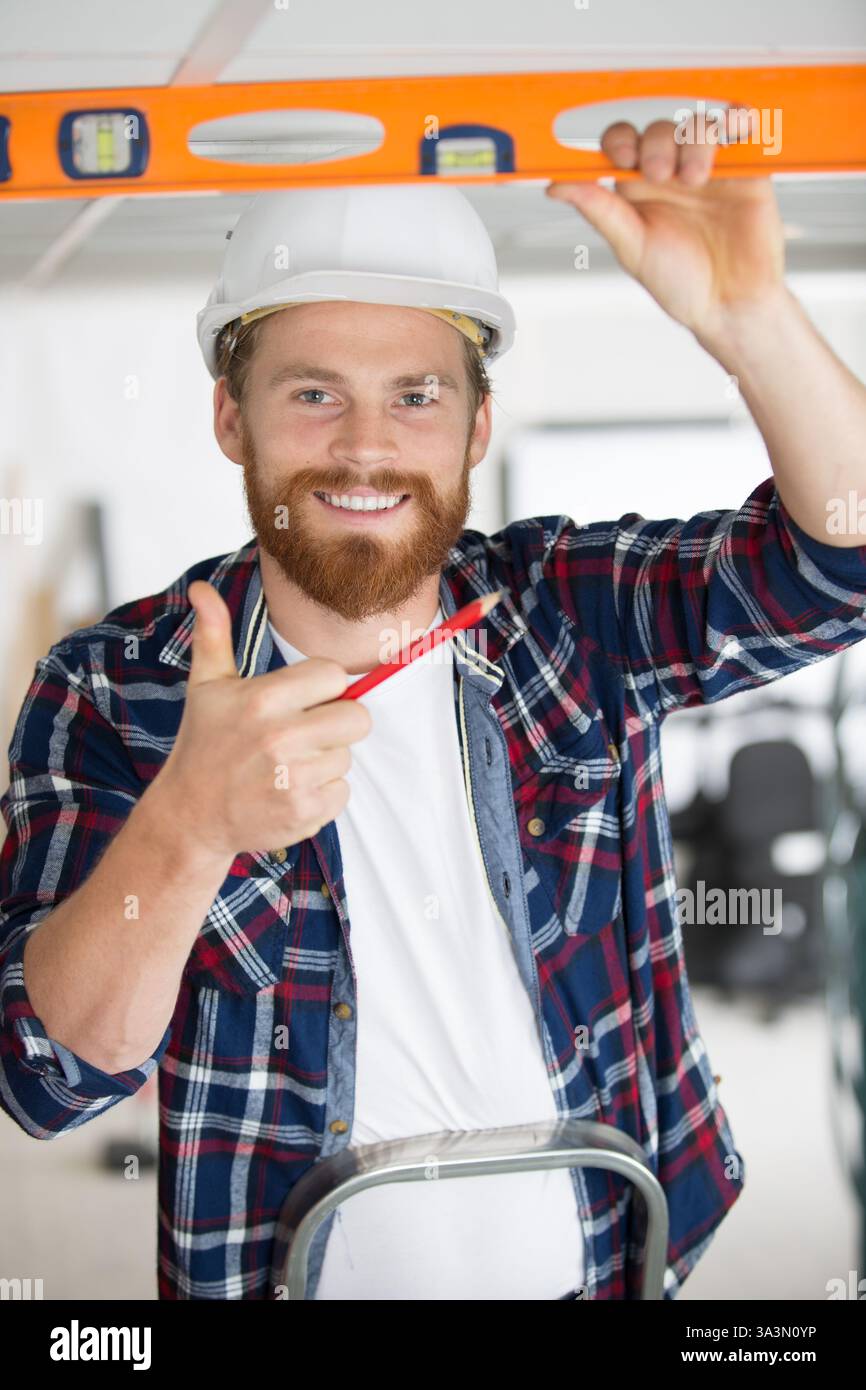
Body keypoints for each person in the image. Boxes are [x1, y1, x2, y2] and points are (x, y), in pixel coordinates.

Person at [2, 115, 866, 1301]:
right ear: (228, 419)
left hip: (621, 1259)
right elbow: (50, 1077)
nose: (365, 448)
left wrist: (749, 320)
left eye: (414, 395)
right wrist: (188, 826)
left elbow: (839, 566)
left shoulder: (567, 613)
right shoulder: (109, 687)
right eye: (313, 393)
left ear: (476, 426)